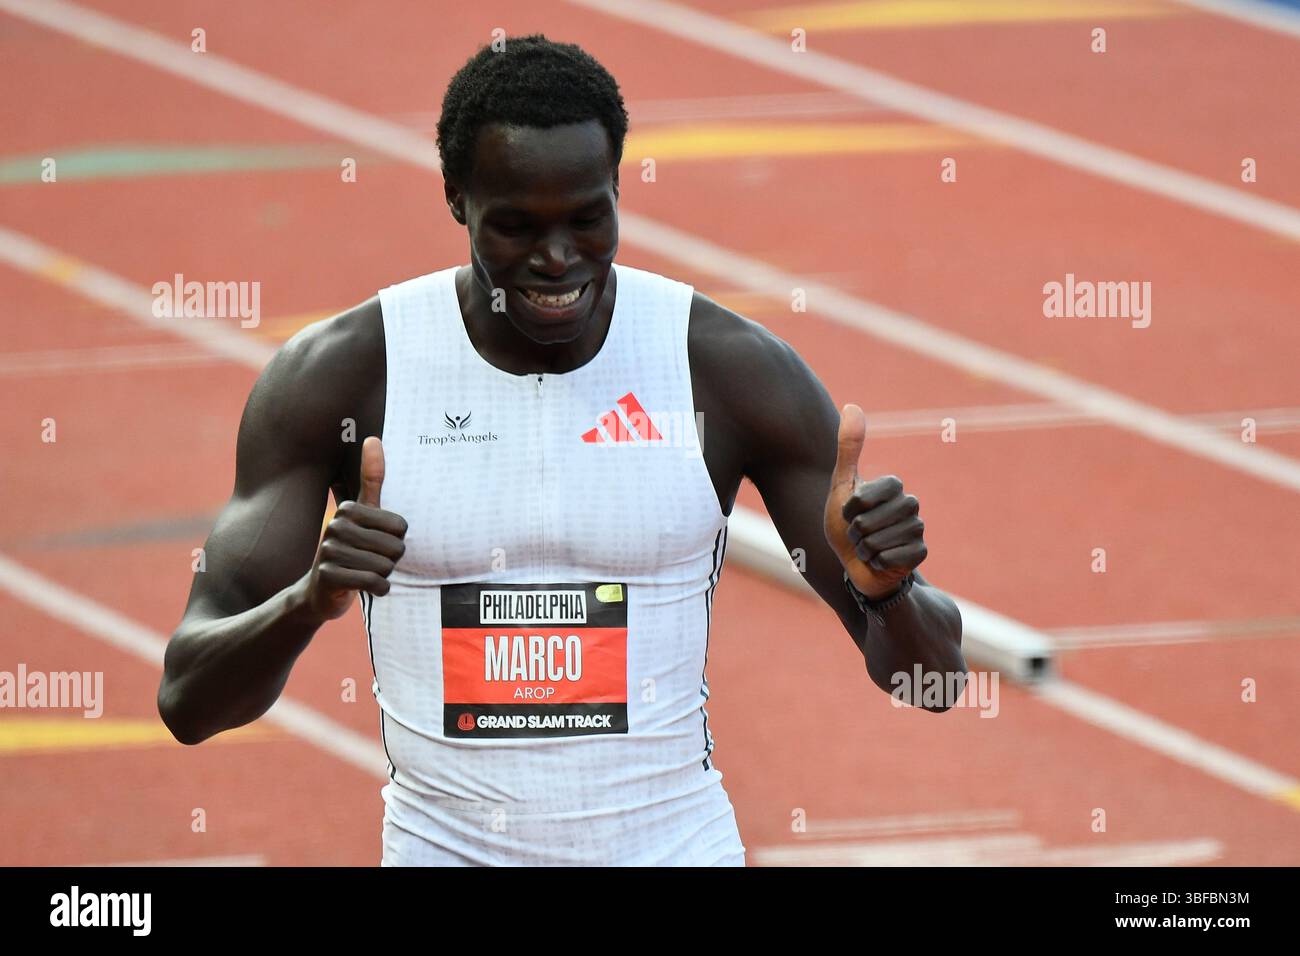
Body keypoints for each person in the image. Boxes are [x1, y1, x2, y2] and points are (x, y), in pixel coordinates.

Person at [157, 34, 964, 866]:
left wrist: (889, 592)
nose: (556, 259)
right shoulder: (344, 378)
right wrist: (309, 600)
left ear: (618, 187)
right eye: (516, 226)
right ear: (456, 199)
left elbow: (935, 682)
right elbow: (188, 701)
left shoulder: (724, 370)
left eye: (587, 218)